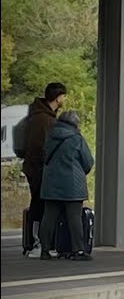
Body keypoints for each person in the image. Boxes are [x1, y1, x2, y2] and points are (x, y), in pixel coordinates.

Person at [39, 110, 94, 261]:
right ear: (75, 123)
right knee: (74, 217)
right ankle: (78, 250)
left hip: (51, 183)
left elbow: (44, 157)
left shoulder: (49, 136)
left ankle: (44, 250)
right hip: (73, 185)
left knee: (49, 217)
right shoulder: (77, 139)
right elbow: (88, 162)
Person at [21, 82, 67, 233]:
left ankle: (35, 238)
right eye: (63, 96)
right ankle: (36, 239)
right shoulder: (45, 120)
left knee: (38, 203)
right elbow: (41, 147)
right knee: (40, 205)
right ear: (58, 98)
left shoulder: (38, 116)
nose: (64, 99)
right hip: (40, 169)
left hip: (34, 167)